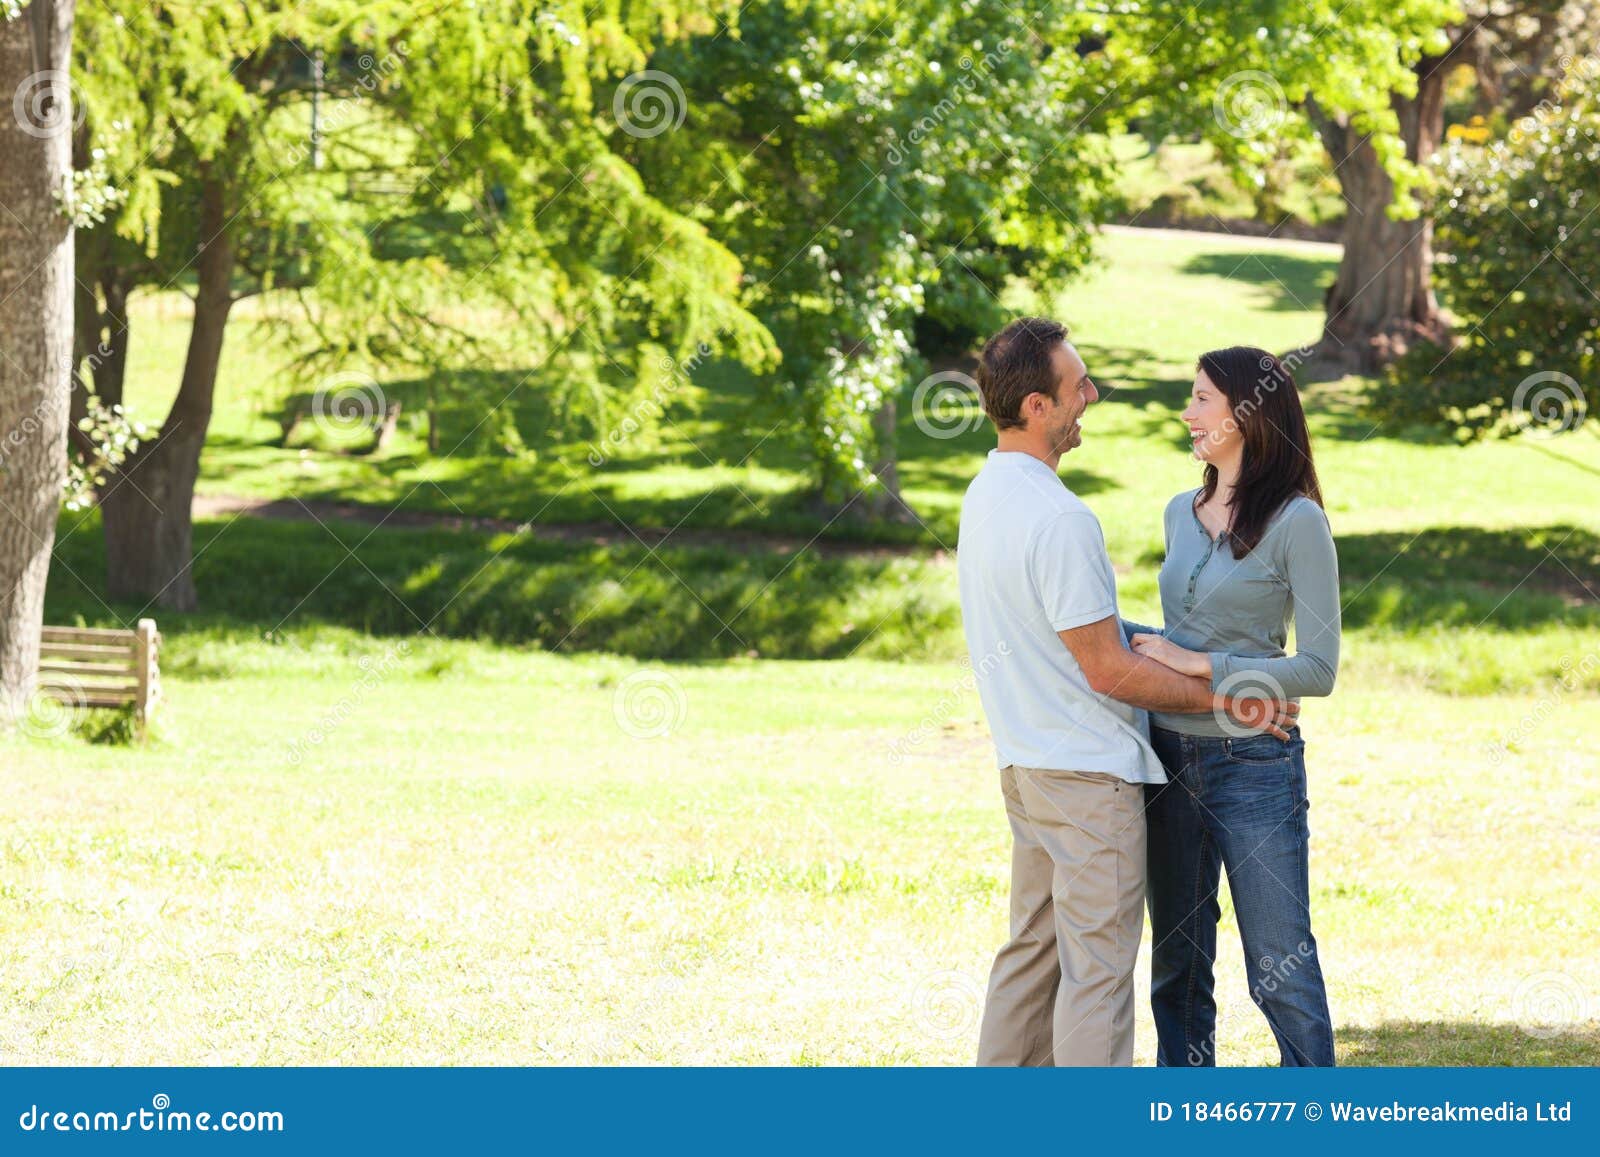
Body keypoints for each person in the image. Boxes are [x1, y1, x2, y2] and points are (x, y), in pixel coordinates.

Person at [957, 318, 1295, 1067]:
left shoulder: (986, 495)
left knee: (1030, 958)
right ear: (1040, 406)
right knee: (1098, 979)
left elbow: (1080, 638)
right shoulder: (1062, 518)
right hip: (1088, 784)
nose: (1093, 396)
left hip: (1027, 768)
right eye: (1079, 386)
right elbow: (1106, 668)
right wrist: (1233, 697)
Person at [1129, 345, 1340, 1067]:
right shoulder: (1177, 513)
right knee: (1177, 969)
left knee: (1279, 967)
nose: (1187, 413)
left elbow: (1316, 667)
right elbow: (1169, 636)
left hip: (1253, 764)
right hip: (1166, 755)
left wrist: (1201, 665)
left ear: (1246, 413)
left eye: (1200, 399)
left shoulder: (1296, 520)